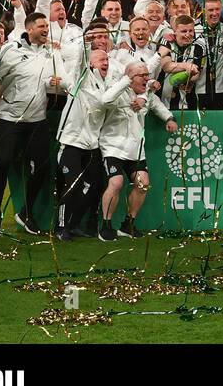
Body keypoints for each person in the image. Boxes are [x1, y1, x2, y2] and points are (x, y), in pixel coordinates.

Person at [0, 12, 62, 235]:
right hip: (10, 119)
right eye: (41, 26)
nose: (45, 30)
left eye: (46, 27)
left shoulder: (50, 53)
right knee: (1, 164)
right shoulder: (12, 51)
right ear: (29, 28)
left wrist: (54, 83)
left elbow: (54, 81)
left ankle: (26, 212)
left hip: (37, 120)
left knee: (42, 168)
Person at [54, 33, 125, 240]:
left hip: (92, 145)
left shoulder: (106, 85)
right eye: (101, 59)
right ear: (91, 63)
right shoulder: (80, 81)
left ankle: (74, 224)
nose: (106, 62)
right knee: (73, 184)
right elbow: (81, 62)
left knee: (92, 188)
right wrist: (86, 44)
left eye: (107, 59)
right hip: (71, 143)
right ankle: (60, 227)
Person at [97, 62, 177, 240]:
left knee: (143, 183)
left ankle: (128, 224)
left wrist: (169, 119)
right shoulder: (117, 90)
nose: (147, 78)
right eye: (142, 75)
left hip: (135, 149)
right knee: (116, 183)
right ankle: (106, 225)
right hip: (113, 147)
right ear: (130, 77)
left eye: (148, 74)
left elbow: (158, 107)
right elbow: (105, 100)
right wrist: (126, 81)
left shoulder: (146, 95)